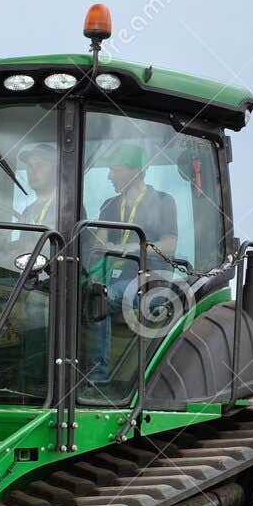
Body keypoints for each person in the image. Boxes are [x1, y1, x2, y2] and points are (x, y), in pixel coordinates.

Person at [85, 142, 178, 386]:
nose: (109, 176)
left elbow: (169, 245)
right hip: (113, 279)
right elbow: (100, 244)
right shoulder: (109, 205)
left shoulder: (163, 201)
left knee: (99, 297)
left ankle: (97, 378)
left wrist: (128, 248)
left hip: (151, 281)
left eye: (114, 170)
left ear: (135, 171)